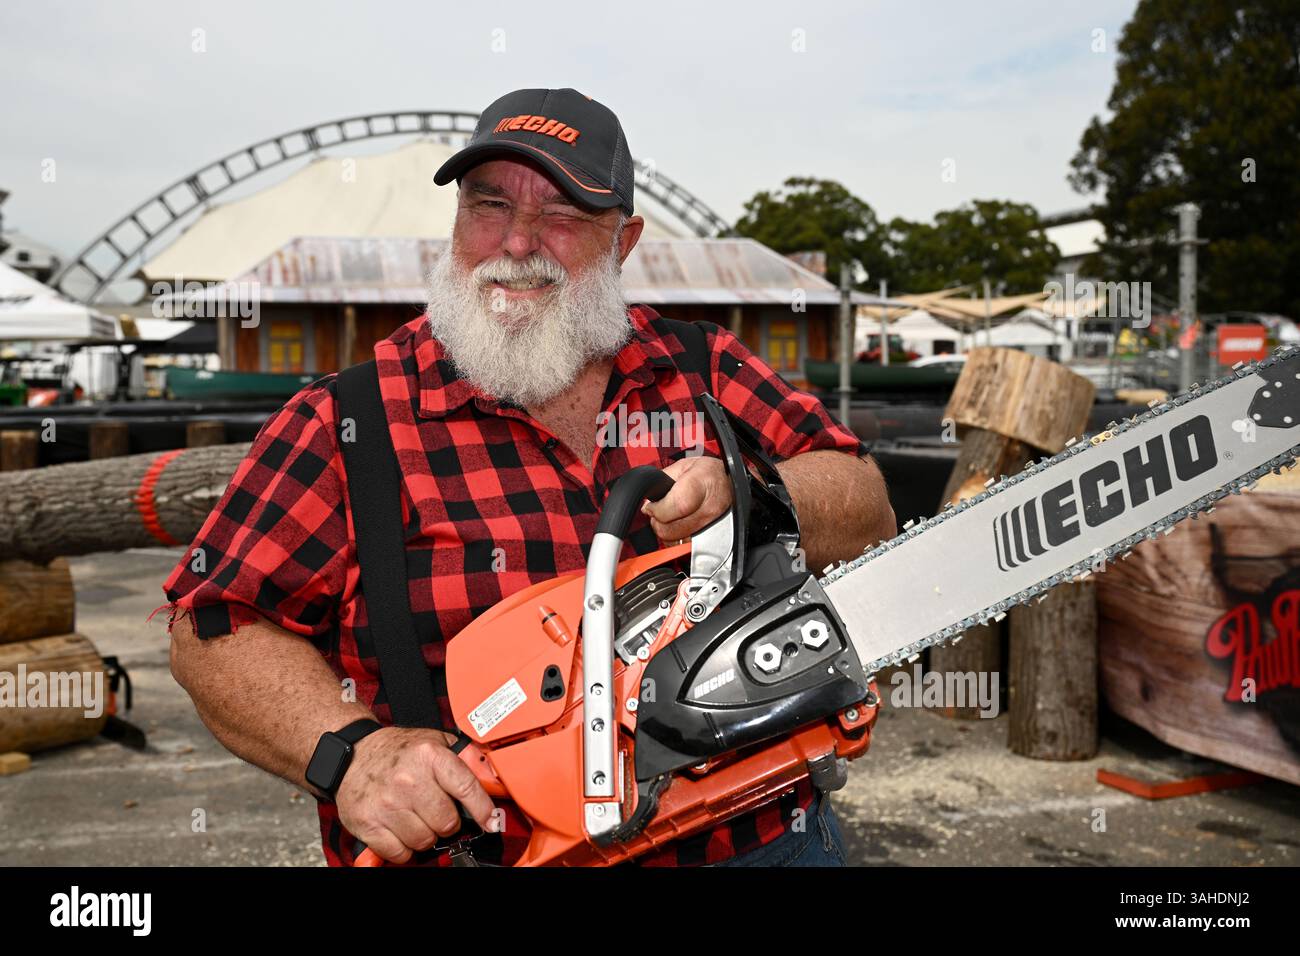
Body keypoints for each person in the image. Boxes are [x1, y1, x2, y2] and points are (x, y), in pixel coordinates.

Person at [163, 87, 896, 867]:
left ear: (624, 242)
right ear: (454, 223)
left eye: (562, 214)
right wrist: (352, 754)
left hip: (754, 840)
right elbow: (212, 626)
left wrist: (749, 493)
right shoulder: (352, 422)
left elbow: (865, 503)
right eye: (489, 205)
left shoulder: (700, 366)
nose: (516, 243)